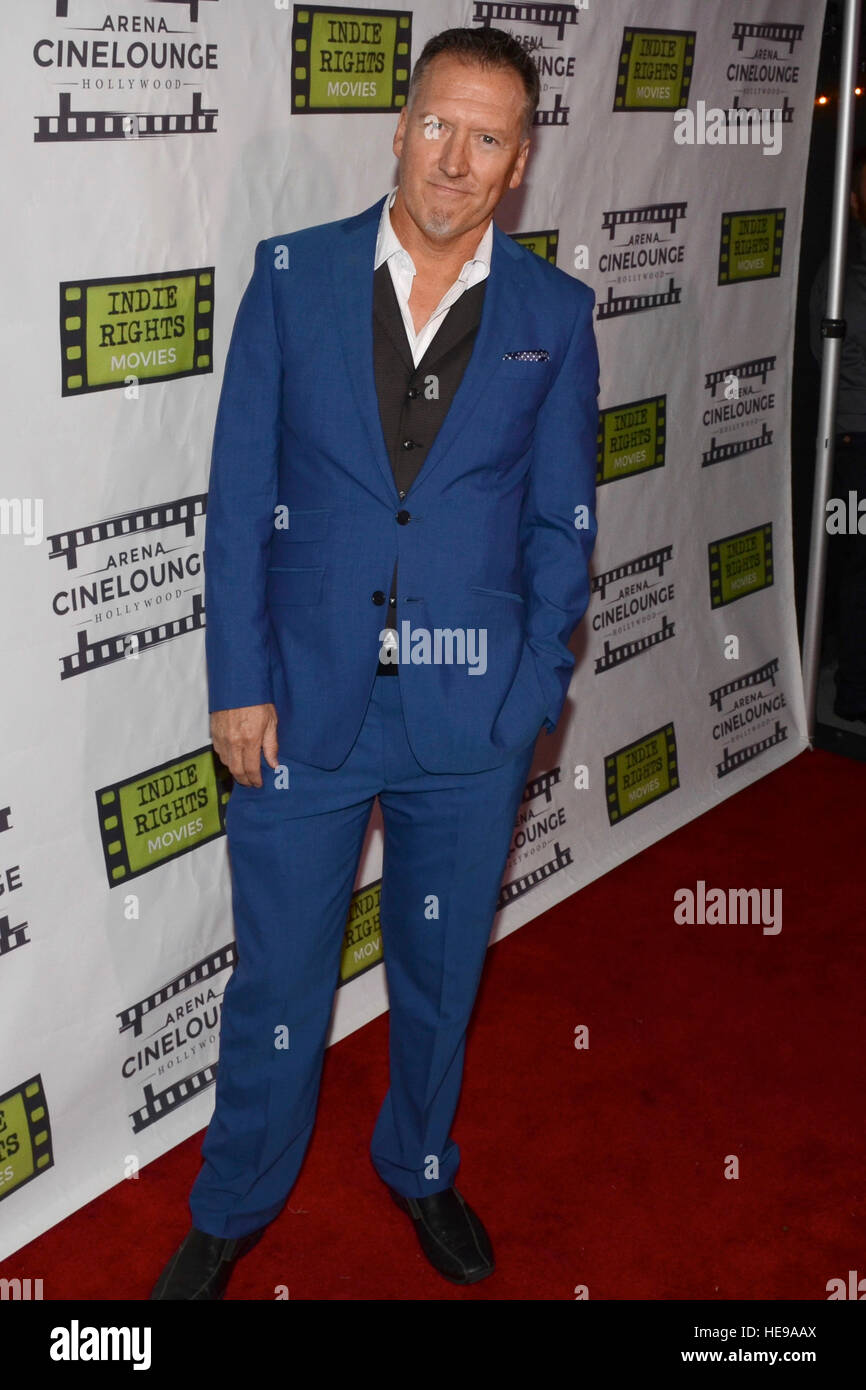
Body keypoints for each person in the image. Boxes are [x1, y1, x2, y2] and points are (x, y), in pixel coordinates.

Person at [151, 25, 599, 1300]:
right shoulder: (292, 276)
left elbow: (560, 521)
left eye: (488, 138)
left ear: (517, 164)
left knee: (442, 970)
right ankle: (235, 1200)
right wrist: (236, 678)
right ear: (398, 127)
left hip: (471, 719)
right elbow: (240, 494)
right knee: (279, 976)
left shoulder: (553, 316)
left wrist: (530, 695)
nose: (455, 159)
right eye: (437, 125)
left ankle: (418, 1162)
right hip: (299, 703)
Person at [809, 146, 866, 723]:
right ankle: (854, 691)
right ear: (853, 200)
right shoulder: (839, 272)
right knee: (857, 572)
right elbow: (817, 351)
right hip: (855, 444)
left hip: (853, 439)